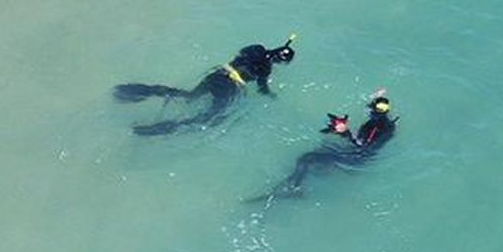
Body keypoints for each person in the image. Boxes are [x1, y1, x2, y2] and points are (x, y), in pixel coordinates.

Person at [113, 36, 296, 136]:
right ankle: (150, 130)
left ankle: (135, 91)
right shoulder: (266, 69)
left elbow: (240, 53)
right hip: (230, 86)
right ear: (282, 62)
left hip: (218, 74)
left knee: (188, 96)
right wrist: (271, 95)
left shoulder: (256, 47)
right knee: (208, 118)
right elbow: (262, 89)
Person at [252, 92, 398, 200]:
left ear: (375, 111)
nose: (369, 111)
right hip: (359, 155)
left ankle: (294, 188)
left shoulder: (374, 127)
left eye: (371, 109)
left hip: (356, 157)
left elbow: (363, 147)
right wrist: (375, 96)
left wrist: (345, 132)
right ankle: (301, 180)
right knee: (322, 148)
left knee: (305, 158)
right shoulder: (386, 124)